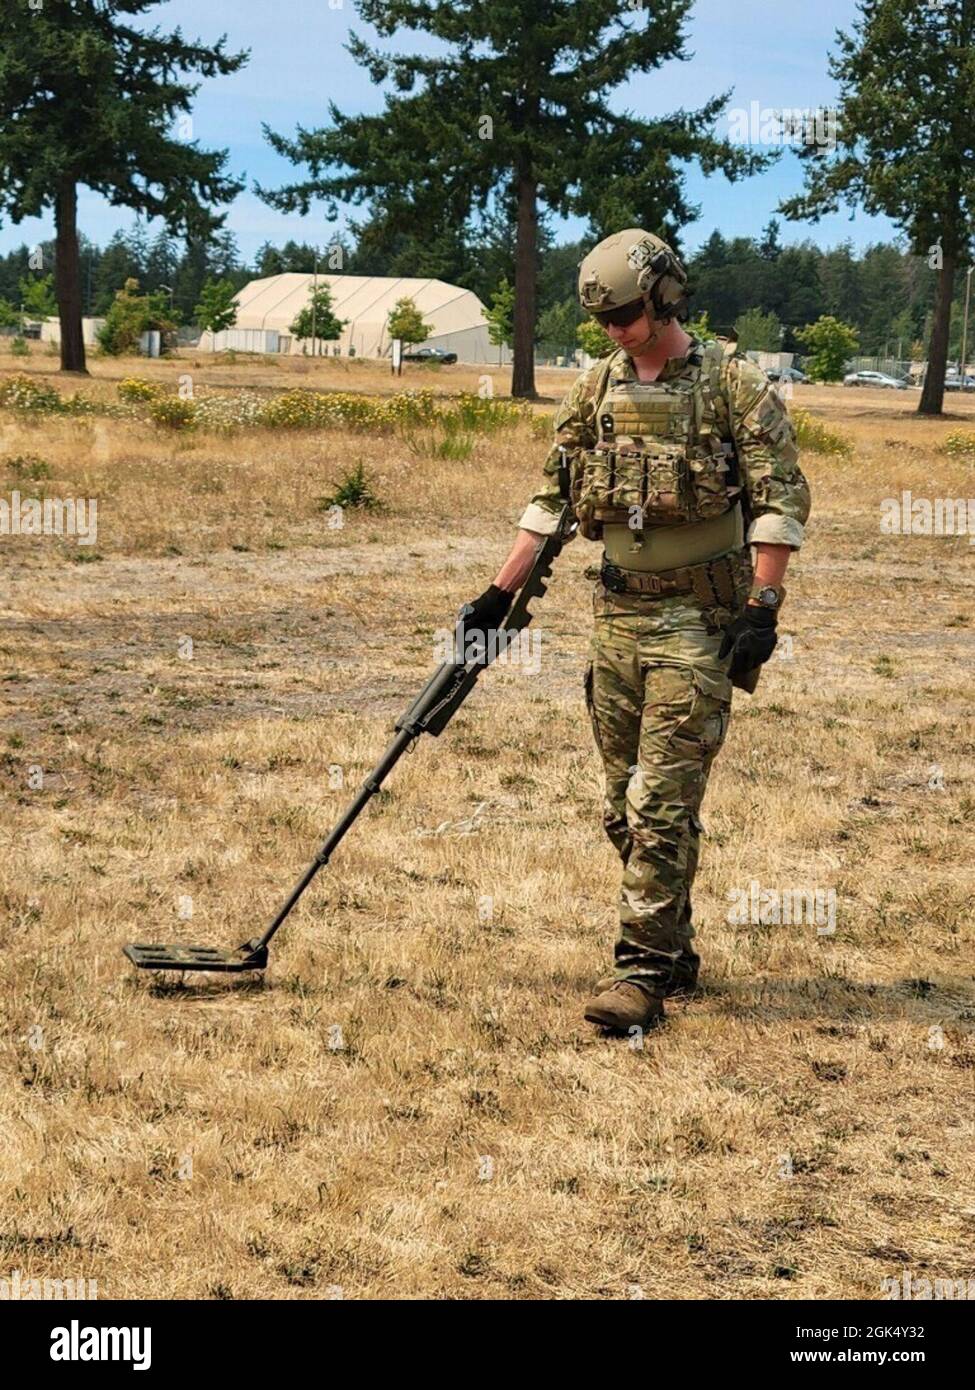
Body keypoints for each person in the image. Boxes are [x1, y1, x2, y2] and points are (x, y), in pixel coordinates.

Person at [463, 229, 811, 1034]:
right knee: (622, 805)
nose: (614, 329)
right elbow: (551, 499)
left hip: (699, 617)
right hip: (615, 612)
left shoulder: (733, 386)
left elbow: (778, 500)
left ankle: (641, 972)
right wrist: (495, 594)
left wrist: (764, 604)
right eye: (602, 320)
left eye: (624, 313)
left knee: (659, 802)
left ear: (662, 296)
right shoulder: (593, 388)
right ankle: (675, 948)